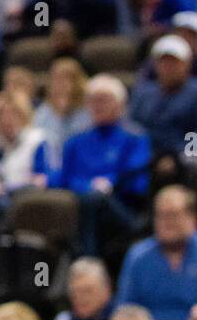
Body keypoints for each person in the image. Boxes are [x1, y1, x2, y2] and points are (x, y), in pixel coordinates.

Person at [55, 74, 150, 259]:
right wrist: (89, 186)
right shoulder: (75, 141)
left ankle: (88, 261)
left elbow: (137, 181)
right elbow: (65, 178)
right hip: (81, 203)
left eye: (104, 100)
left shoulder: (135, 138)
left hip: (123, 208)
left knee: (94, 200)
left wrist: (110, 183)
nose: (97, 105)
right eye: (92, 100)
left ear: (120, 105)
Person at [115, 185, 197, 320]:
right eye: (160, 215)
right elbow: (125, 308)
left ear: (193, 218)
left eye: (173, 215)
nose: (166, 222)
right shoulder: (138, 256)